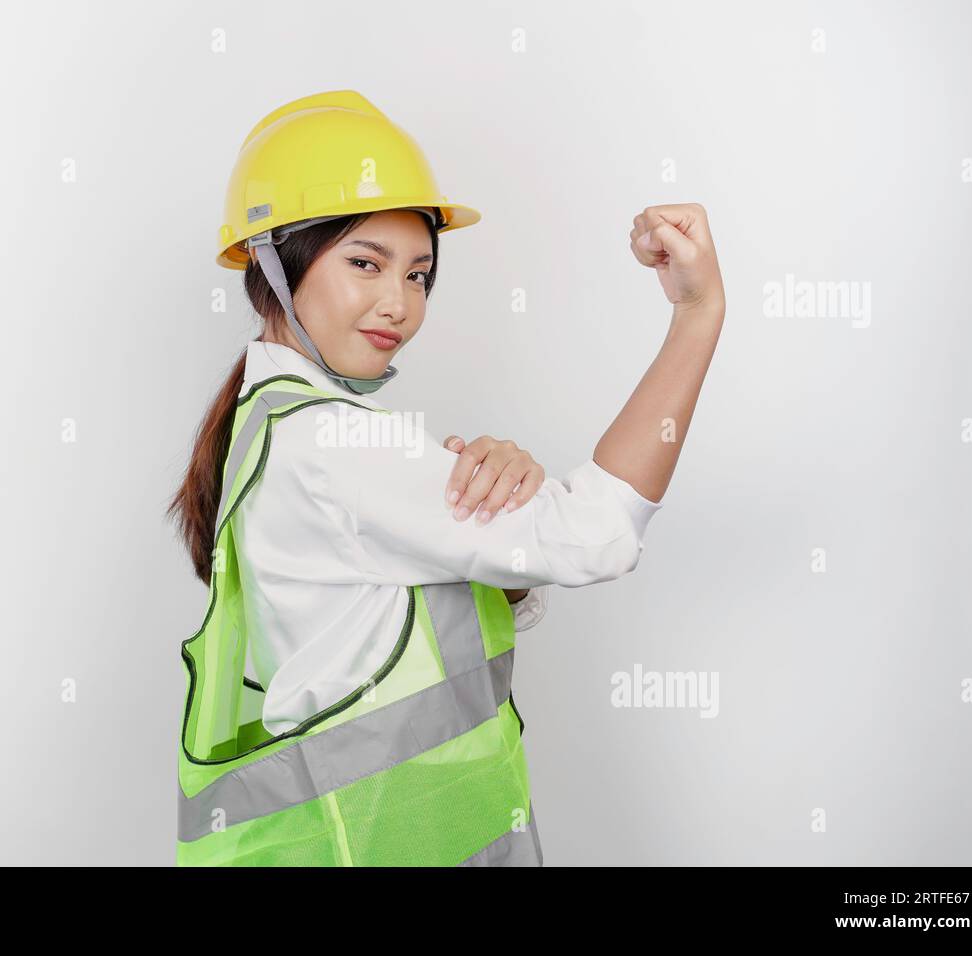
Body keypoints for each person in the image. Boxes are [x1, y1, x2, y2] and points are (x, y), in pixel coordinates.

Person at [166, 90, 725, 866]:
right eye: (366, 263)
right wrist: (697, 314)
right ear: (273, 258)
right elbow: (594, 537)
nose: (399, 305)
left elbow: (384, 615)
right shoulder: (334, 442)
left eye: (421, 276)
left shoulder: (270, 429)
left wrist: (504, 530)